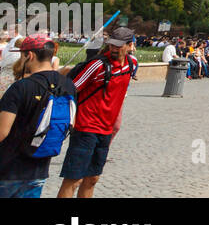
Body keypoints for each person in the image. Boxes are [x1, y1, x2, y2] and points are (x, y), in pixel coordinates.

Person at [57, 27, 138, 199]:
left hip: (106, 130)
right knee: (73, 179)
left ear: (130, 45)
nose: (114, 49)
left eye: (119, 46)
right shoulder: (98, 65)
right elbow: (71, 89)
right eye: (111, 45)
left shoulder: (132, 64)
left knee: (92, 179)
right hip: (86, 127)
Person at [0, 34, 77, 198]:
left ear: (30, 55)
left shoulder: (21, 87)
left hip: (8, 169)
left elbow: (2, 131)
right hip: (39, 169)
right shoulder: (68, 85)